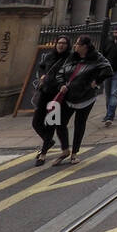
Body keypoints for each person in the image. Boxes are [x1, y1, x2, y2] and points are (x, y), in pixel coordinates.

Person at [52, 35, 112, 164]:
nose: (75, 46)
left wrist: (96, 81)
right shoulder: (72, 57)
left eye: (77, 44)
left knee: (80, 124)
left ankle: (74, 153)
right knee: (59, 122)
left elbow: (108, 70)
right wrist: (61, 84)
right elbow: (61, 73)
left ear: (85, 46)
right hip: (69, 96)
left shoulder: (96, 57)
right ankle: (65, 150)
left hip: (86, 97)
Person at [32, 36, 72, 164]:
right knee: (36, 122)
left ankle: (43, 154)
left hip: (57, 96)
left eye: (64, 43)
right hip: (45, 92)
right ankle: (49, 142)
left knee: (51, 123)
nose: (61, 45)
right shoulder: (50, 56)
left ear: (68, 45)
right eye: (59, 43)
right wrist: (42, 75)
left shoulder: (69, 59)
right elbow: (41, 67)